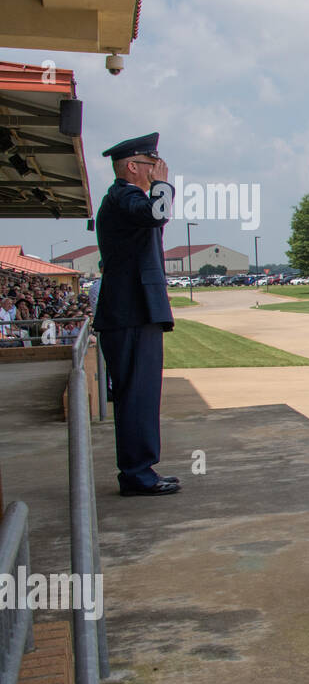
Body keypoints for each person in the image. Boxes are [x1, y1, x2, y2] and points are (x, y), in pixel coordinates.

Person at [93, 132, 181, 497]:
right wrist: (162, 185)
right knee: (137, 395)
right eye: (151, 164)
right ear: (132, 167)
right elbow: (157, 216)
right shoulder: (124, 196)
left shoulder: (124, 198)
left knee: (140, 394)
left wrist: (158, 184)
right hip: (130, 310)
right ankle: (137, 473)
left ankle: (140, 470)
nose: (156, 170)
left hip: (131, 310)